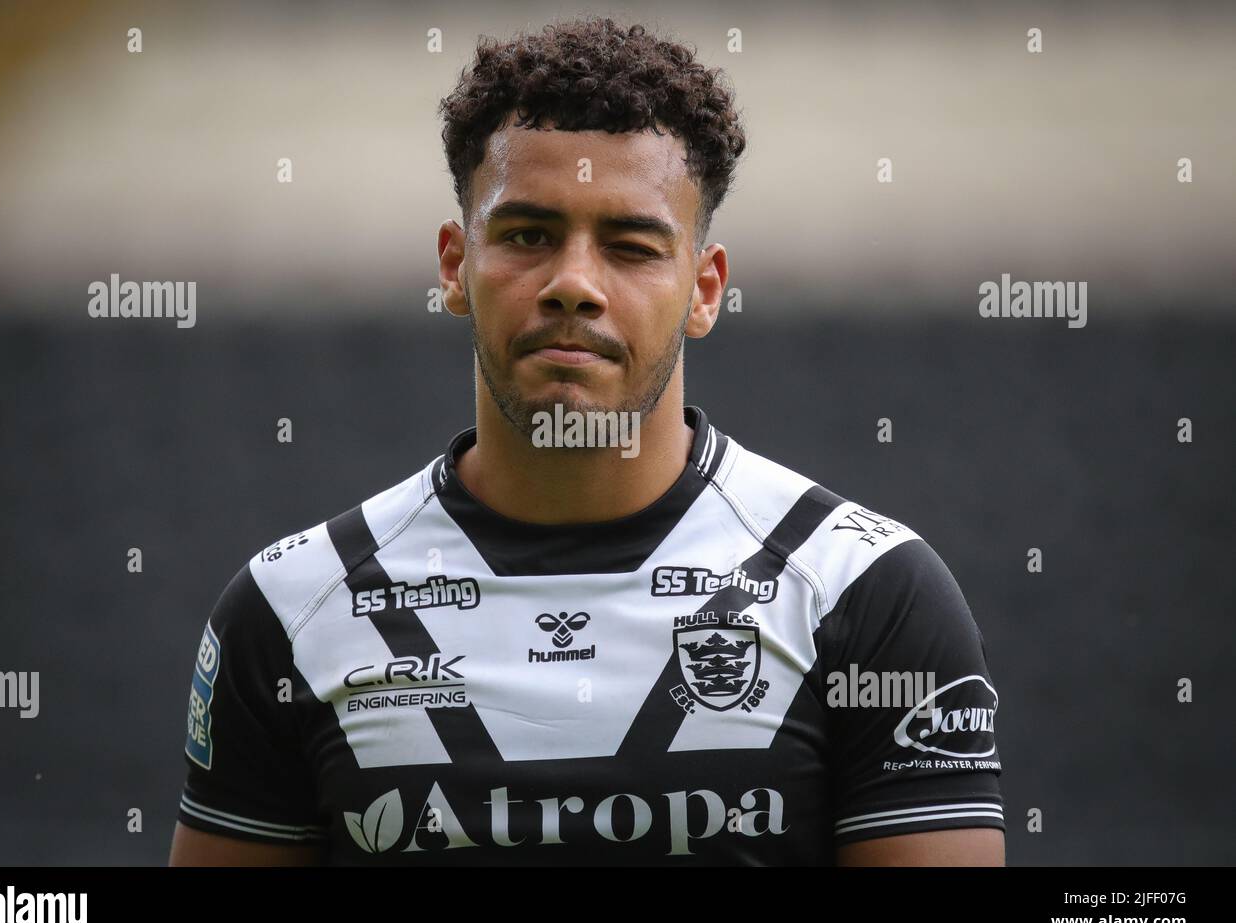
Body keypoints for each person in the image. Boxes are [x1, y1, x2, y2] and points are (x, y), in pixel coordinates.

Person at [170, 16, 1004, 865]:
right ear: (455, 266)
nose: (573, 283)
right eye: (529, 236)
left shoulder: (862, 591)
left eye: (631, 246)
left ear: (705, 289)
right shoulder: (289, 610)